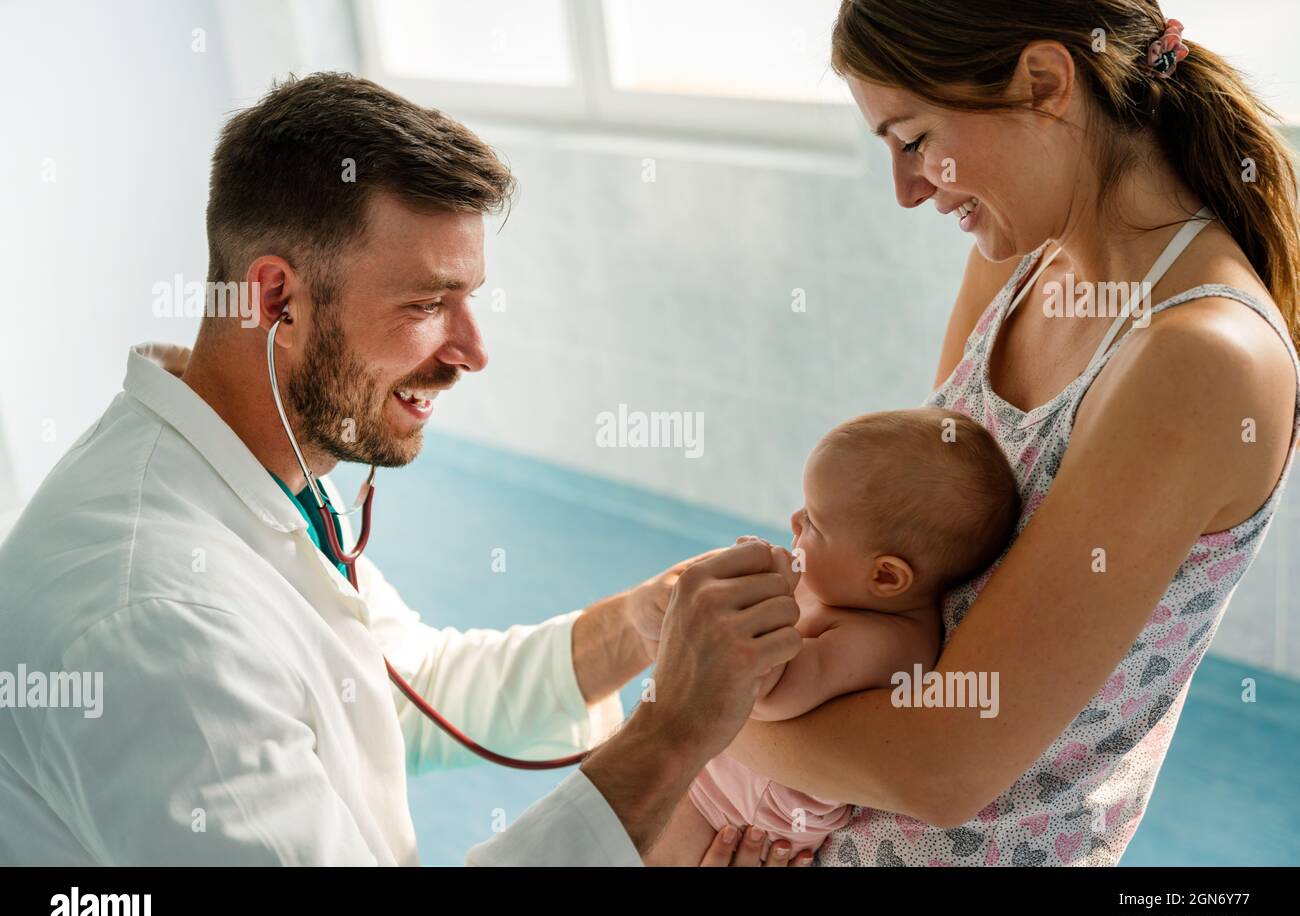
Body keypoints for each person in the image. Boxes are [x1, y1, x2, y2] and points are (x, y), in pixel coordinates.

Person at [0, 73, 809, 866]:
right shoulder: (156, 621)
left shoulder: (256, 471)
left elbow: (402, 687)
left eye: (470, 300)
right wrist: (673, 736)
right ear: (277, 300)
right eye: (427, 305)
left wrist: (631, 627)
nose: (471, 352)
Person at [718, 1, 1300, 865]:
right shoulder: (1020, 259)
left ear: (1043, 84)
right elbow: (917, 548)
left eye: (913, 138)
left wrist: (691, 711)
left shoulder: (1199, 359)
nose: (907, 189)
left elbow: (941, 763)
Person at [644, 409, 1020, 865]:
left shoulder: (883, 641)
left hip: (736, 810)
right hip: (722, 772)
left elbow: (771, 697)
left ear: (884, 575)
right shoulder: (839, 589)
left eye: (815, 523)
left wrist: (760, 606)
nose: (795, 520)